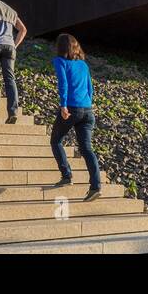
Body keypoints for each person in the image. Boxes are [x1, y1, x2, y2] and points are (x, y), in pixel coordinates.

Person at [49, 33, 101, 200]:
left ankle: (66, 176)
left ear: (61, 47)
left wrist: (63, 105)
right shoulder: (83, 65)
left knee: (56, 140)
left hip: (71, 107)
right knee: (86, 148)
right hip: (87, 109)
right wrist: (88, 105)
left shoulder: (60, 62)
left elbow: (63, 83)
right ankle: (96, 186)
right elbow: (90, 88)